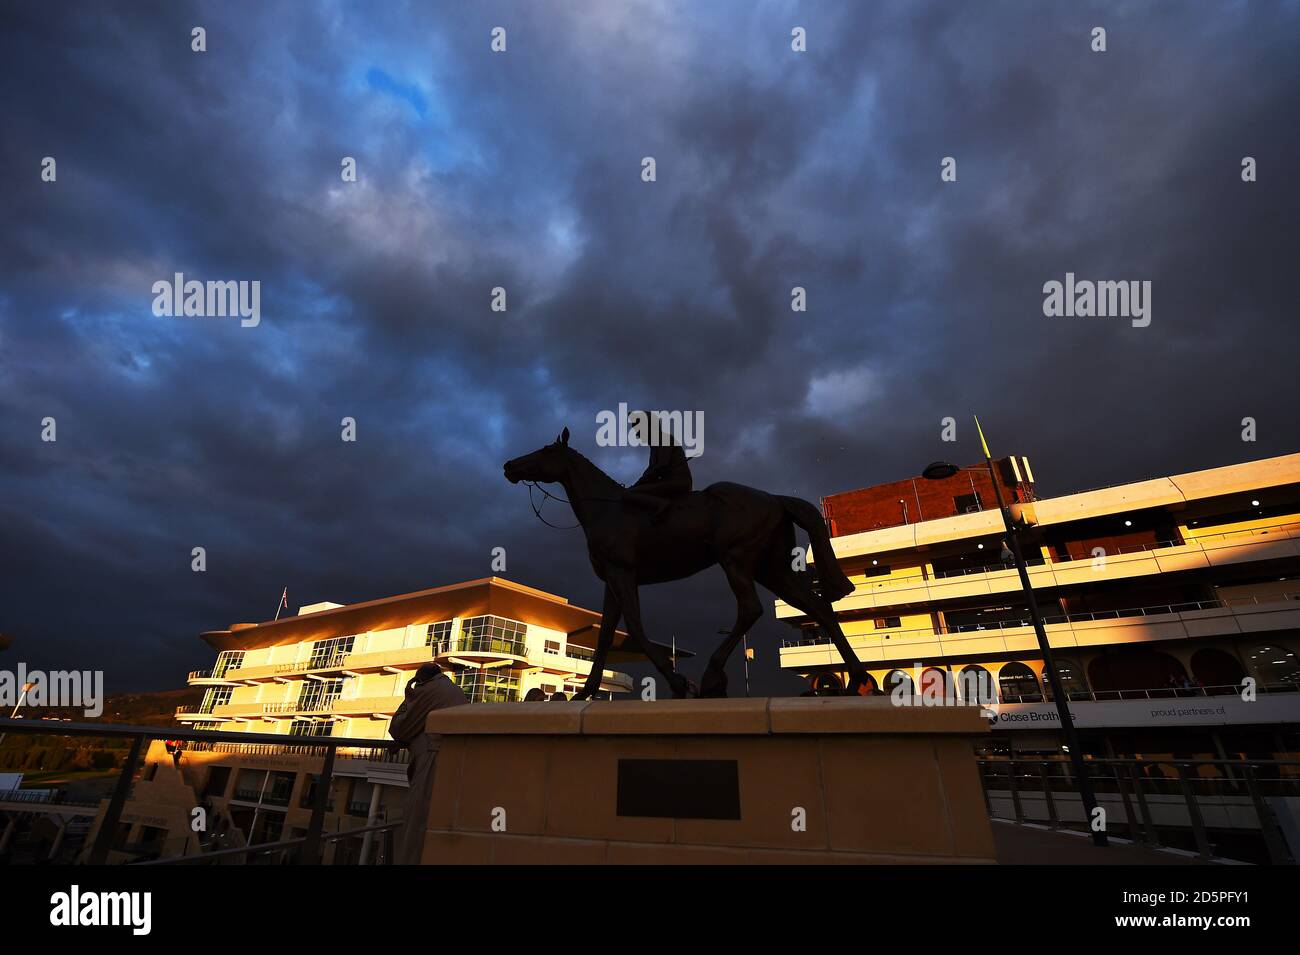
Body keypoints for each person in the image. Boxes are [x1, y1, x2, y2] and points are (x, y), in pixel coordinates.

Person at [389, 663, 468, 864]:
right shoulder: (454, 690)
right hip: (455, 761)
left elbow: (399, 727)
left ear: (420, 678)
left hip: (431, 759)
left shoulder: (426, 691)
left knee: (417, 822)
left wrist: (409, 693)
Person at [622, 415, 693, 522]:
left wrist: (637, 486)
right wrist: (638, 484)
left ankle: (661, 504)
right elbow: (651, 470)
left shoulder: (664, 439)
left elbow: (660, 467)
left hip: (676, 482)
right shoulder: (655, 445)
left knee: (628, 494)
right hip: (669, 482)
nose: (637, 434)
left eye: (638, 430)